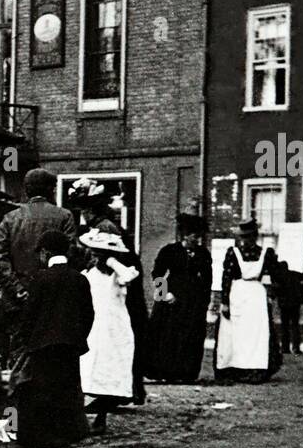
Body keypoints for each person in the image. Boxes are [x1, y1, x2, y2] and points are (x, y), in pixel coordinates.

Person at [12, 230, 93, 447]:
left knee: (42, 391)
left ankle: (44, 436)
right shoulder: (80, 279)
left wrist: (25, 340)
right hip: (71, 344)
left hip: (43, 344)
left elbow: (30, 314)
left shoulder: (40, 279)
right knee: (68, 390)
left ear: (45, 252)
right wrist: (78, 337)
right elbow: (89, 314)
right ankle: (70, 432)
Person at [72, 179, 148, 403]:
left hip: (111, 289)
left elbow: (112, 260)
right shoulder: (102, 226)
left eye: (84, 210)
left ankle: (111, 391)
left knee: (109, 340)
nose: (83, 215)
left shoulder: (105, 230)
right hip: (107, 288)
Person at [0, 169, 76, 346]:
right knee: (50, 351)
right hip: (54, 299)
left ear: (27, 190)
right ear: (49, 190)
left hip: (17, 300)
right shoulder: (64, 216)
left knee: (19, 351)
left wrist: (18, 290)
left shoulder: (10, 218)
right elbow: (70, 254)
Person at [78, 228, 139, 432]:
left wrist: (112, 261)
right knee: (87, 368)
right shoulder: (88, 275)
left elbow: (129, 276)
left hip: (114, 329)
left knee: (109, 369)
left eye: (99, 255)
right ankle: (82, 418)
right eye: (93, 254)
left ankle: (101, 416)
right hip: (93, 328)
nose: (95, 258)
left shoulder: (119, 275)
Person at [143, 212, 211, 382]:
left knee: (191, 335)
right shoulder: (170, 251)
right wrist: (165, 293)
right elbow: (157, 273)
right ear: (184, 235)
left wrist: (204, 300)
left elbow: (207, 278)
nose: (195, 240)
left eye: (197, 236)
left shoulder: (203, 253)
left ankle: (186, 372)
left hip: (193, 300)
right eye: (192, 236)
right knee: (169, 334)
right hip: (171, 299)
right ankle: (167, 372)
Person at [214, 218, 281, 384]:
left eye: (250, 237)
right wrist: (224, 302)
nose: (247, 240)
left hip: (256, 296)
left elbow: (276, 276)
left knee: (256, 333)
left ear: (256, 236)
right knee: (232, 332)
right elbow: (226, 277)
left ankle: (255, 368)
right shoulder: (234, 253)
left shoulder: (266, 253)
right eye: (244, 237)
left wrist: (271, 294)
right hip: (236, 293)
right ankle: (232, 368)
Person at [275, 259, 303, 355]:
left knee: (285, 326)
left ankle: (285, 348)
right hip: (295, 303)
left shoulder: (279, 277)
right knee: (295, 326)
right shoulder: (294, 274)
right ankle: (296, 348)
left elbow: (276, 289)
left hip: (284, 304)